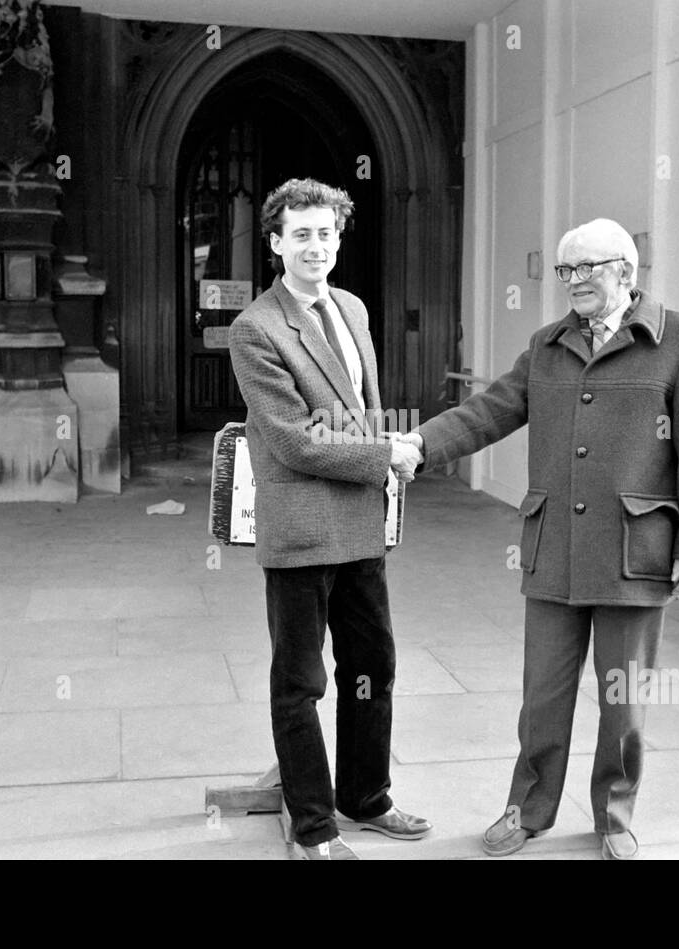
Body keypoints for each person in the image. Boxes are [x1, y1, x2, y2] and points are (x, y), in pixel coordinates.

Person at [399, 218, 679, 860]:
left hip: (637, 550)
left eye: (587, 268)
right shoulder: (547, 344)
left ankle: (615, 815)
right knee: (542, 696)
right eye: (565, 270)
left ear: (626, 273)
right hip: (553, 546)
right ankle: (527, 811)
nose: (573, 281)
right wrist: (419, 443)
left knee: (621, 701)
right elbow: (490, 409)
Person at [228, 178, 430, 860]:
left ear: (340, 239)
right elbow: (295, 439)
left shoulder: (353, 308)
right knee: (301, 680)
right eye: (301, 233)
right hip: (302, 529)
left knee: (372, 663)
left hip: (360, 522)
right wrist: (387, 452)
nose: (316, 244)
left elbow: (359, 408)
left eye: (326, 232)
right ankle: (315, 828)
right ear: (277, 242)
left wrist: (380, 463)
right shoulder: (255, 327)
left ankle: (365, 797)